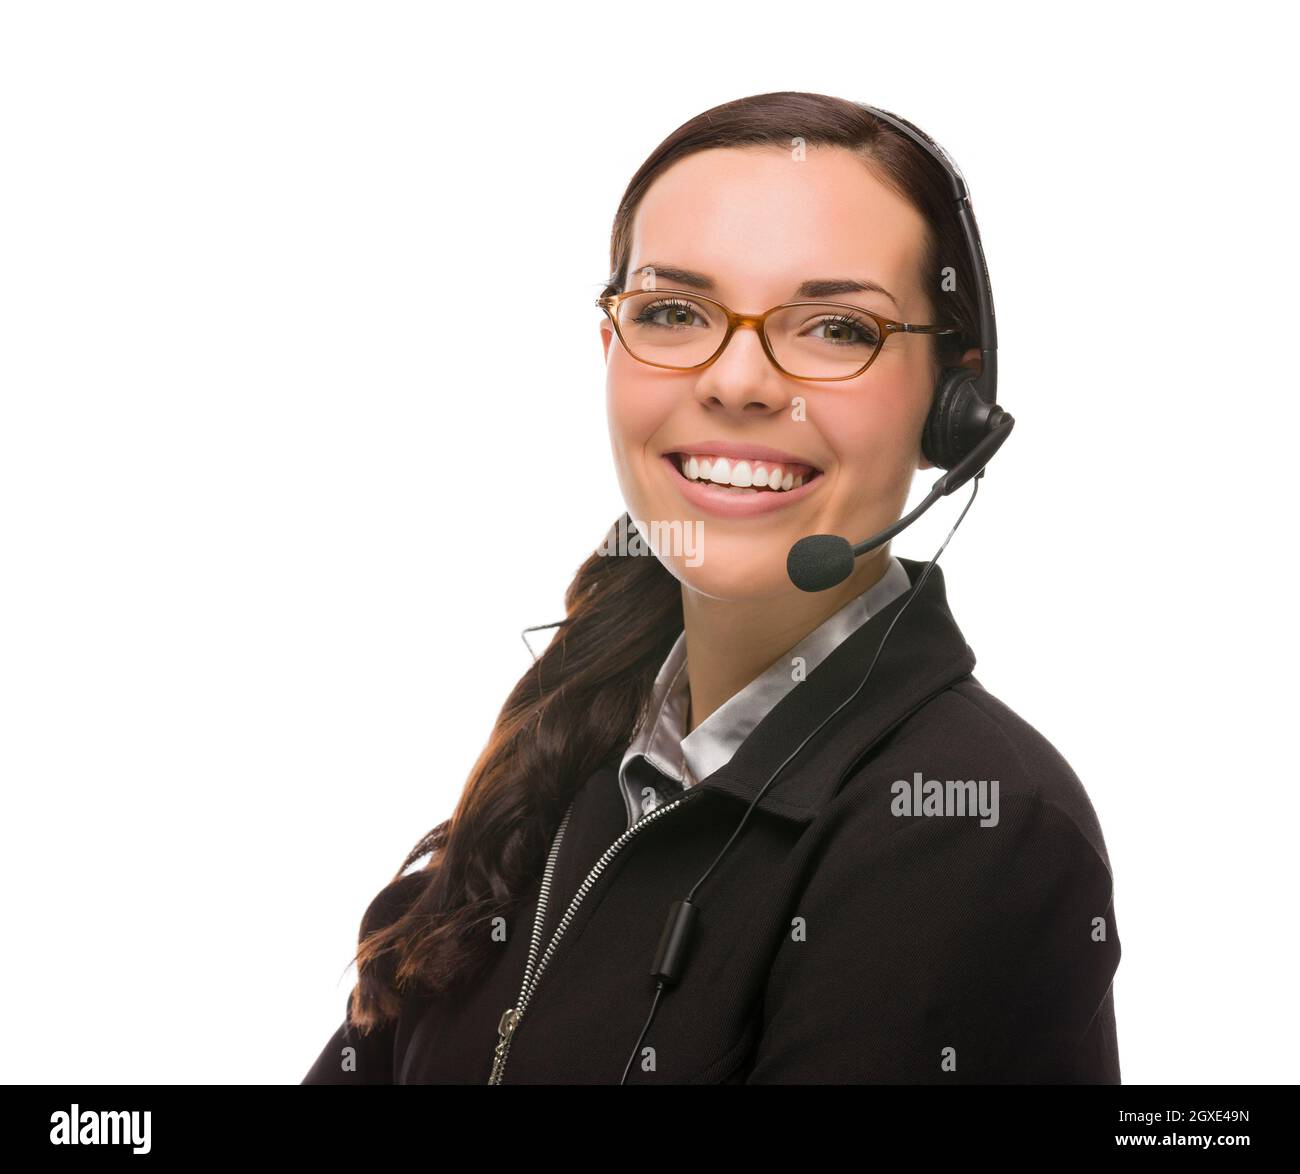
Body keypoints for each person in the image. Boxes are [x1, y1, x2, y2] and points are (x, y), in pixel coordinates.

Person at [302, 91, 1121, 1085]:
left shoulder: (969, 825)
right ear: (611, 352)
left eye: (833, 327)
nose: (737, 381)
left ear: (951, 405)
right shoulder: (573, 750)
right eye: (674, 313)